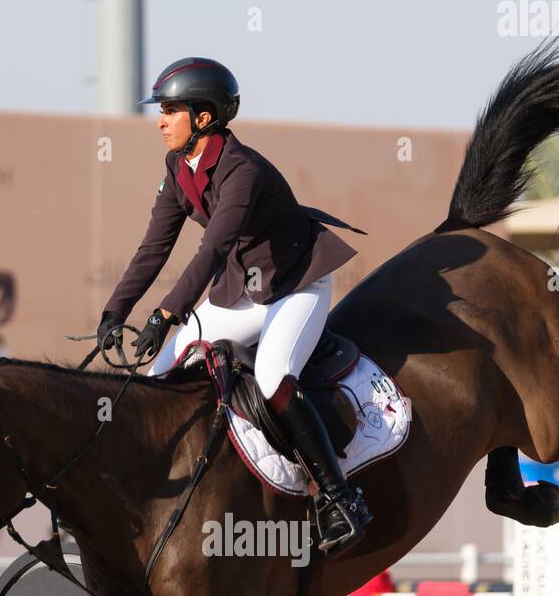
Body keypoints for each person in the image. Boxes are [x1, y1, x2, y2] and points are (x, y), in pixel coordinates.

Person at [96, 57, 372, 554]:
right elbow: (154, 246)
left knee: (271, 375)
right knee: (159, 373)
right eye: (161, 109)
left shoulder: (240, 170)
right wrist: (115, 310)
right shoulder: (178, 166)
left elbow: (212, 250)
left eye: (171, 110)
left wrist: (165, 314)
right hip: (242, 292)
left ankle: (339, 497)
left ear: (204, 118)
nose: (159, 120)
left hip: (296, 286)